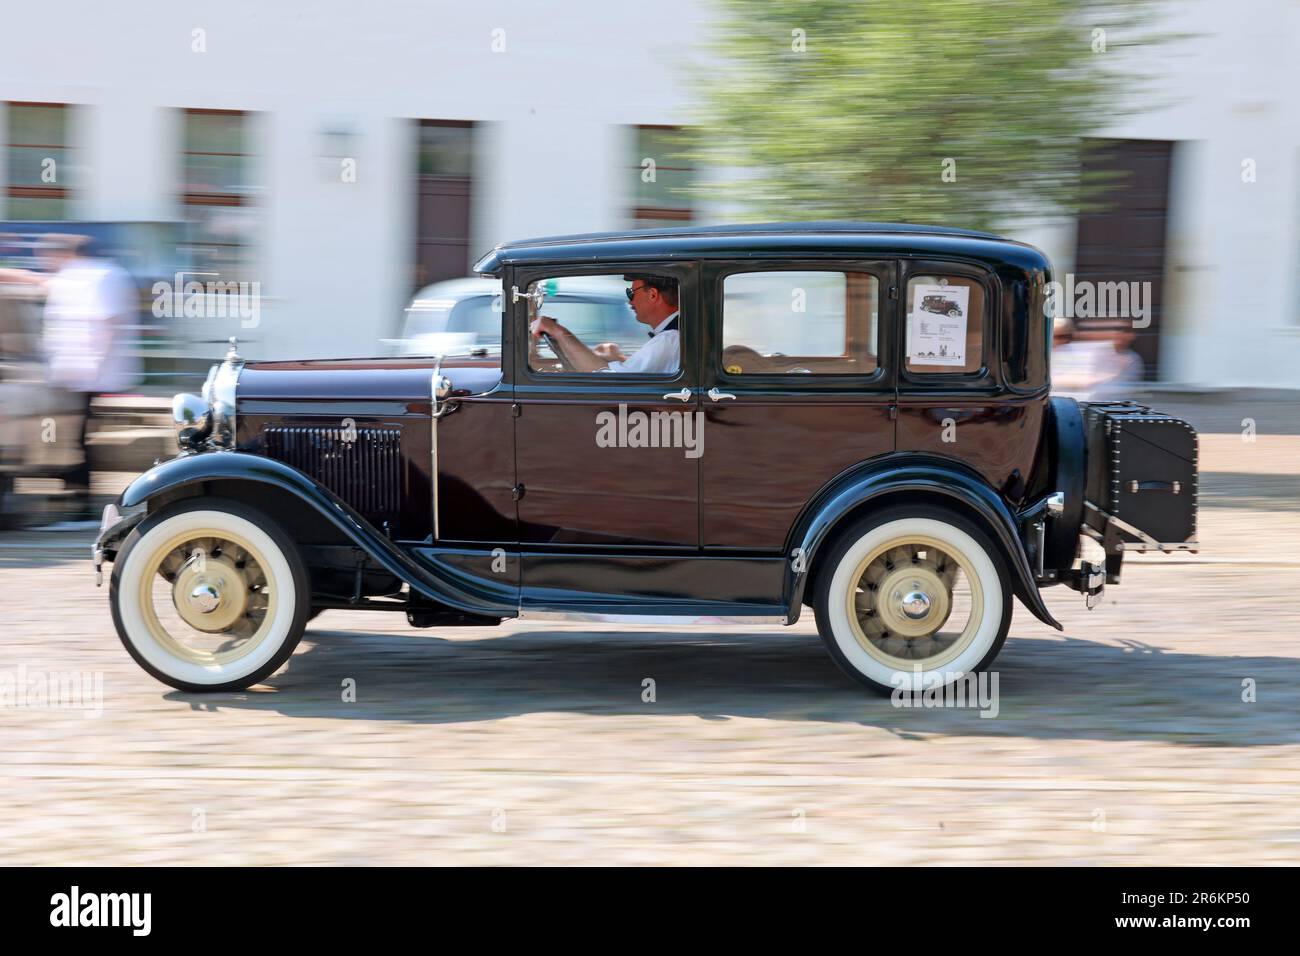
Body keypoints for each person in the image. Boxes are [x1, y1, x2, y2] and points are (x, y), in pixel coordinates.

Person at [0, 234, 140, 518]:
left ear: (62, 253)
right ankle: (75, 491)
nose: (44, 263)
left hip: (85, 373)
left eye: (46, 256)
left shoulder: (94, 278)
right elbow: (36, 280)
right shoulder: (80, 275)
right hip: (81, 373)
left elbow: (106, 324)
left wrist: (90, 365)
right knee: (79, 436)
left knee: (78, 438)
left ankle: (80, 498)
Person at [528, 274, 679, 373]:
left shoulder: (669, 340)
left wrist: (556, 330)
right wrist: (620, 358)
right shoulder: (671, 338)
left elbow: (606, 376)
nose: (629, 301)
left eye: (631, 293)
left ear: (653, 295)